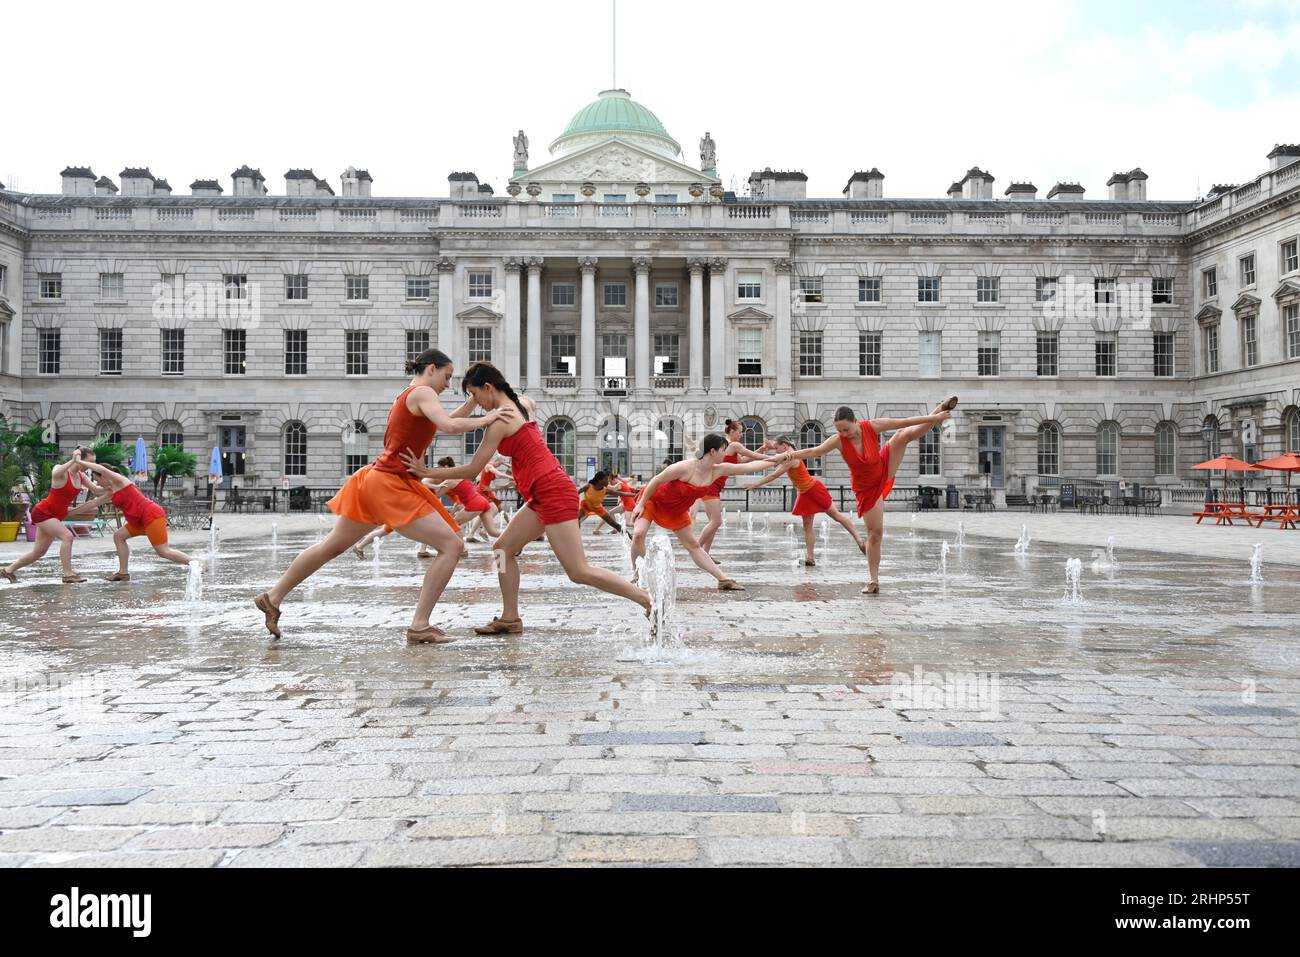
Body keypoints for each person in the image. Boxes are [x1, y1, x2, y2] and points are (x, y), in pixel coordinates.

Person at [252, 349, 513, 643]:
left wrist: (472, 405)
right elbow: (450, 426)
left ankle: (273, 597)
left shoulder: (411, 395)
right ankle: (420, 625)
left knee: (330, 547)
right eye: (446, 376)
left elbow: (446, 422)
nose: (447, 384)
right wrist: (488, 417)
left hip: (376, 480)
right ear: (430, 369)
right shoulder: (424, 393)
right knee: (452, 546)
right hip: (389, 484)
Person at [401, 361, 651, 636]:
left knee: (578, 571)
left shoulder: (501, 420)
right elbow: (522, 401)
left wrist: (428, 472)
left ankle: (647, 601)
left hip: (552, 491)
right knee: (501, 548)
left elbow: (473, 469)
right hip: (541, 492)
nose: (477, 403)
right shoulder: (520, 403)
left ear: (487, 387)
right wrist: (478, 396)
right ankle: (510, 617)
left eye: (475, 395)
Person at [784, 398, 957, 593]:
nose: (843, 434)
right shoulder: (838, 441)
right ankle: (874, 581)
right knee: (875, 534)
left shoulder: (871, 426)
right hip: (866, 489)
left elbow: (906, 421)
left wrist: (937, 416)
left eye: (846, 429)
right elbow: (814, 451)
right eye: (839, 430)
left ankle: (940, 408)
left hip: (883, 465)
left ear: (855, 421)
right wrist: (793, 455)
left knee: (902, 434)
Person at [629, 434, 791, 590]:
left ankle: (723, 580)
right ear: (712, 451)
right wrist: (641, 504)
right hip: (653, 500)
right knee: (638, 534)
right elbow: (656, 480)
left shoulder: (718, 469)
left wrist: (777, 459)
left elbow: (748, 466)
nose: (725, 453)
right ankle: (637, 575)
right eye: (723, 450)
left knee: (693, 546)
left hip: (676, 510)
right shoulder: (685, 467)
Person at [742, 436, 866, 566]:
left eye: (777, 448)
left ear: (783, 446)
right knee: (807, 526)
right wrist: (771, 445)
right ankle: (810, 558)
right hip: (804, 493)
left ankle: (859, 540)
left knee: (836, 516)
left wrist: (756, 484)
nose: (776, 451)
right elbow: (780, 445)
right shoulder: (788, 451)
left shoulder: (791, 458)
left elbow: (774, 475)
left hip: (813, 489)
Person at [2, 447, 109, 584]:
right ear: (78, 459)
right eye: (89, 462)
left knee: (39, 552)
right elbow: (55, 472)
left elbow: (96, 490)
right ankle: (68, 575)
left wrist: (113, 486)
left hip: (54, 516)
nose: (91, 466)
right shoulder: (62, 471)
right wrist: (72, 460)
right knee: (67, 536)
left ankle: (8, 570)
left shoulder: (81, 476)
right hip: (43, 513)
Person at [78, 460, 199, 579]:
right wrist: (70, 512)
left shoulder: (119, 480)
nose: (96, 482)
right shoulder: (111, 490)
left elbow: (102, 469)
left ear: (103, 476)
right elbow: (93, 503)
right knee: (119, 536)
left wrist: (79, 461)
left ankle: (196, 564)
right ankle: (123, 573)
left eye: (96, 479)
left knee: (163, 552)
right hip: (138, 521)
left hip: (151, 515)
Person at [696, 418, 778, 554]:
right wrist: (775, 459)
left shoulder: (726, 445)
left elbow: (741, 460)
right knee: (716, 522)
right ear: (732, 431)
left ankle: (705, 553)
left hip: (711, 485)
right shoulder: (734, 445)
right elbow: (751, 455)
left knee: (713, 523)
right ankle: (695, 549)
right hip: (712, 486)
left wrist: (762, 450)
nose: (741, 435)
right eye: (740, 432)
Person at [431, 457, 503, 540]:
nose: (438, 470)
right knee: (492, 532)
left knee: (452, 524)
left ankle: (459, 548)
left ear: (446, 467)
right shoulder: (459, 475)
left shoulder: (449, 481)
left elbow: (436, 496)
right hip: (483, 501)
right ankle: (515, 539)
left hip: (474, 504)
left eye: (439, 467)